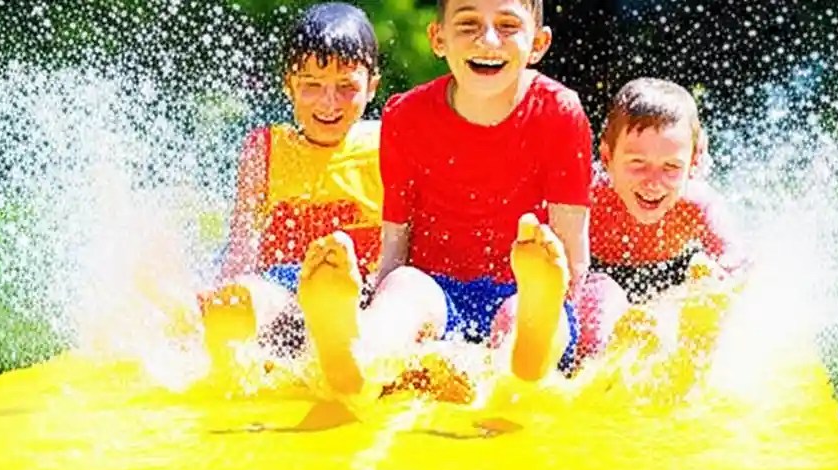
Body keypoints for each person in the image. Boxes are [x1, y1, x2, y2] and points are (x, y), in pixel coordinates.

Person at [294, 0, 594, 395]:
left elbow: (572, 255)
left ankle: (529, 351)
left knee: (526, 311)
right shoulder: (405, 115)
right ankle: (355, 351)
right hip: (435, 292)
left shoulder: (559, 112)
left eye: (507, 25)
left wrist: (564, 312)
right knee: (404, 288)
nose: (488, 41)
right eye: (468, 24)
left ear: (537, 43)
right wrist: (379, 295)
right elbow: (395, 247)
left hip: (522, 290)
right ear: (439, 37)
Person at [199, 2, 384, 356]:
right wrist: (228, 286)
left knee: (355, 304)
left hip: (355, 294)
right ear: (289, 85)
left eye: (346, 85)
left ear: (372, 86)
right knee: (248, 298)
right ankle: (230, 336)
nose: (329, 102)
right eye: (311, 84)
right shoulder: (265, 150)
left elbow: (400, 244)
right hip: (280, 289)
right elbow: (243, 243)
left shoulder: (386, 145)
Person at [576, 77, 748, 359]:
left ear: (694, 162)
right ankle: (597, 363)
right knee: (602, 300)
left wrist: (721, 276)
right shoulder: (587, 197)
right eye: (637, 164)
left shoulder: (697, 205)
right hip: (598, 275)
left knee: (702, 293)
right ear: (607, 157)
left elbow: (737, 260)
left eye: (670, 167)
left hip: (673, 279)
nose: (653, 182)